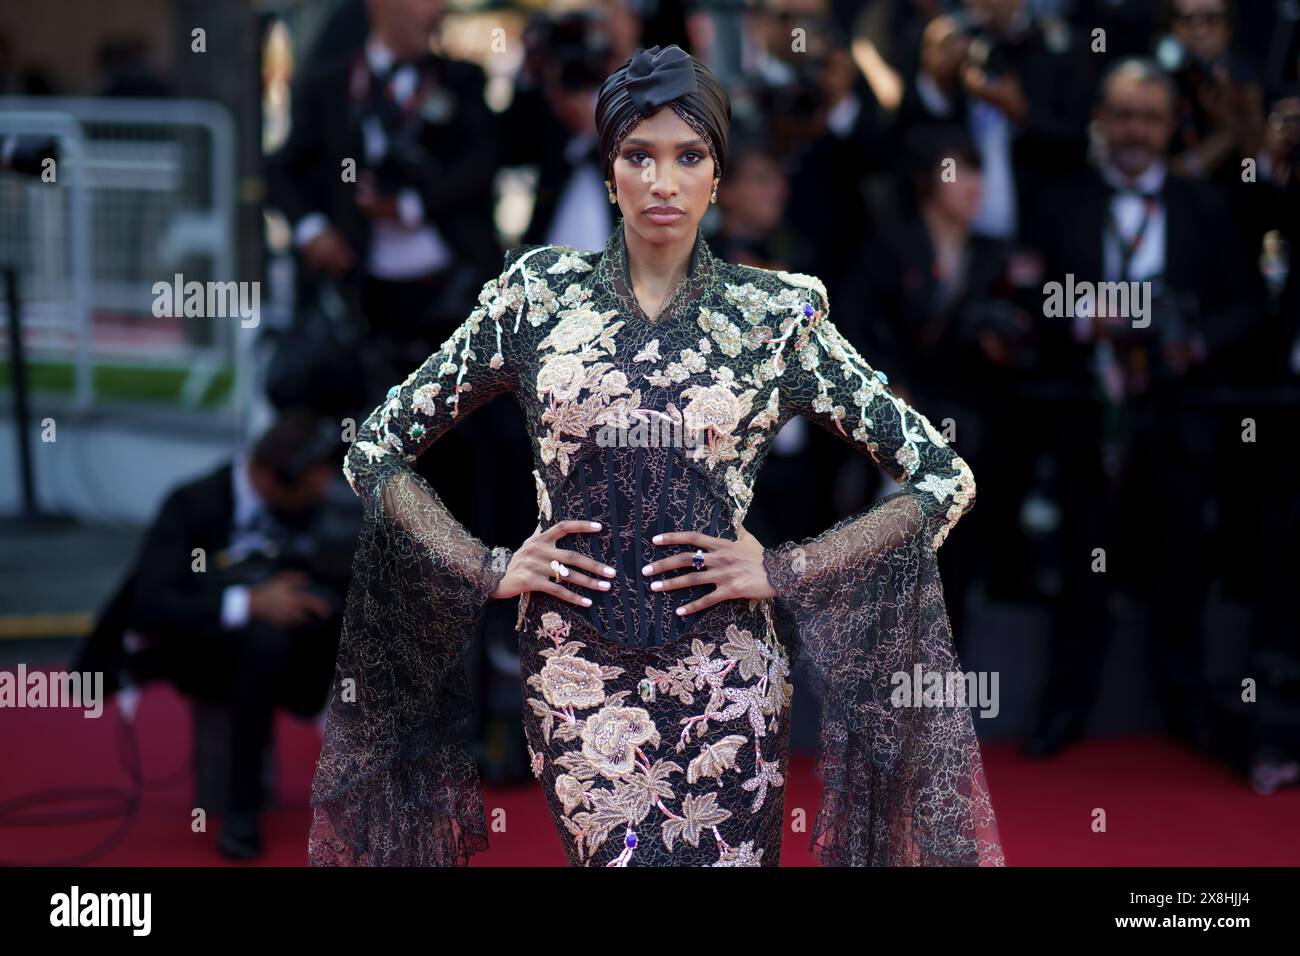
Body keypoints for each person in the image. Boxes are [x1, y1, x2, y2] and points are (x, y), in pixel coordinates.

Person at [309, 44, 1003, 867]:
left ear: (718, 173)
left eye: (689, 156)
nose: (663, 181)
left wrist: (787, 570)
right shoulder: (535, 299)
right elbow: (374, 448)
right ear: (609, 172)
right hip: (575, 680)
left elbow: (942, 476)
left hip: (728, 682)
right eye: (639, 155)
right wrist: (486, 564)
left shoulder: (775, 316)